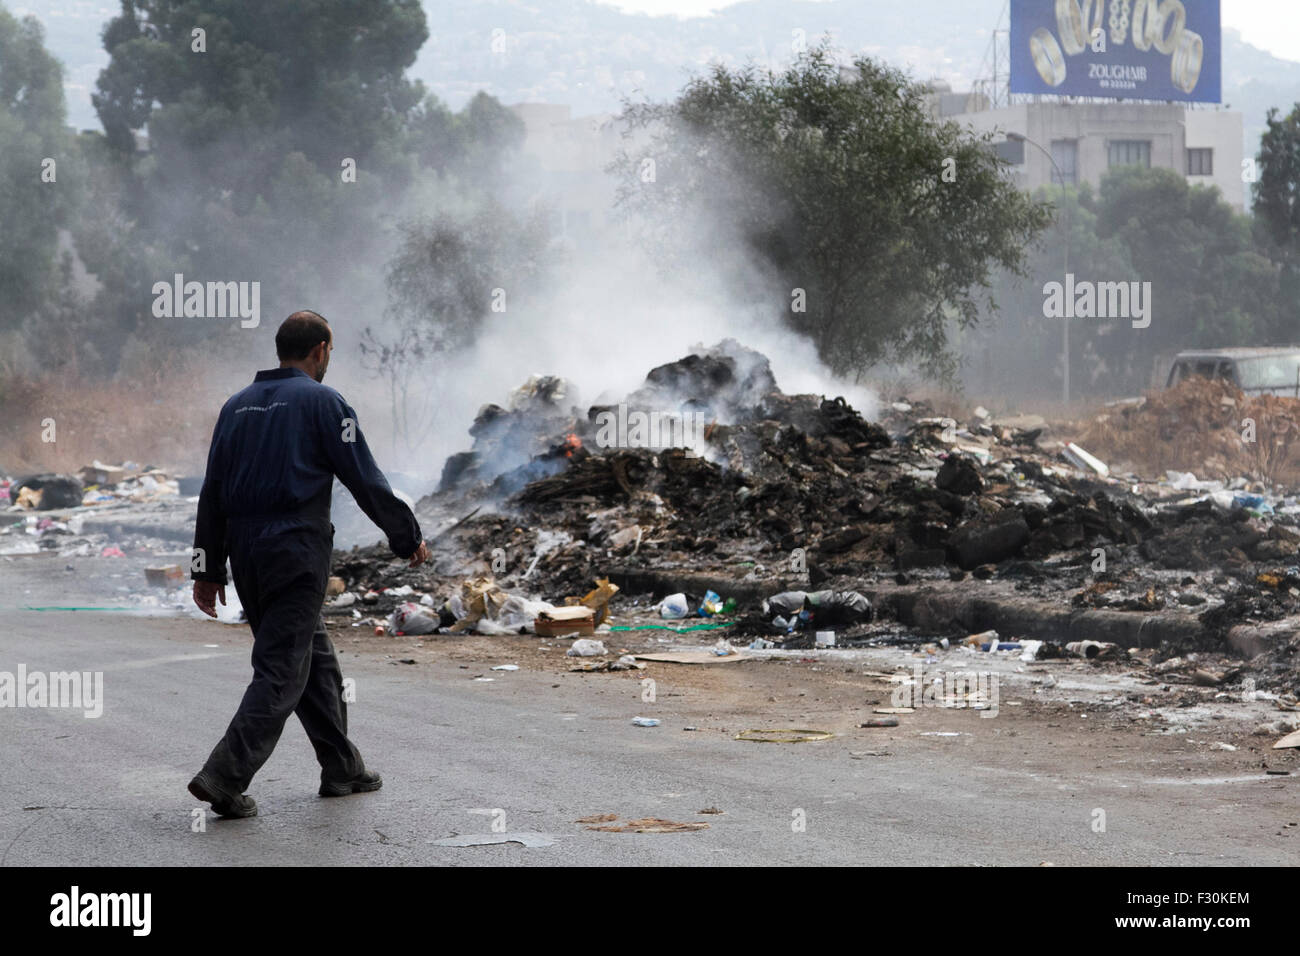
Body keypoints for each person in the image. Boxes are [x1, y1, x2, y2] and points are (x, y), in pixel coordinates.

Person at [188, 310, 429, 819]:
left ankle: (342, 766)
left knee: (309, 654)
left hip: (246, 553)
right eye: (330, 352)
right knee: (281, 667)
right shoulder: (325, 402)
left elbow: (211, 493)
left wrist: (207, 568)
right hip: (296, 547)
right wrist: (405, 535)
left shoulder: (235, 408)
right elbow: (363, 475)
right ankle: (224, 777)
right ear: (320, 349)